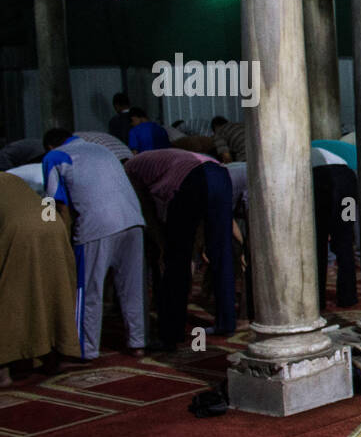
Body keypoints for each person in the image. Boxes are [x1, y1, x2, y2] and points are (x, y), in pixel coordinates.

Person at [42, 130, 147, 360]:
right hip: (133, 219)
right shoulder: (102, 149)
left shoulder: (53, 157)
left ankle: (85, 349)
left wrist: (54, 238)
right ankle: (137, 342)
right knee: (132, 288)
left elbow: (55, 204)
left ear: (50, 146)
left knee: (88, 290)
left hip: (96, 226)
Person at [124, 148, 235, 349]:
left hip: (190, 179)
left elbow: (147, 211)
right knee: (222, 253)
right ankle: (226, 322)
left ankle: (171, 334)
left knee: (177, 261)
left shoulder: (129, 169)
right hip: (220, 174)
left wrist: (162, 245)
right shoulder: (155, 158)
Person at [0, 172, 81, 386]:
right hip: (52, 224)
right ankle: (52, 358)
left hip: (20, 231)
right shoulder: (13, 178)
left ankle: (4, 370)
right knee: (50, 290)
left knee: (9, 297)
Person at [311, 144, 358, 311]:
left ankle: (317, 300)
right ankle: (348, 297)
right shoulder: (331, 150)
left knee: (318, 240)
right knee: (345, 239)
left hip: (320, 181)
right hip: (348, 181)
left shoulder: (297, 152)